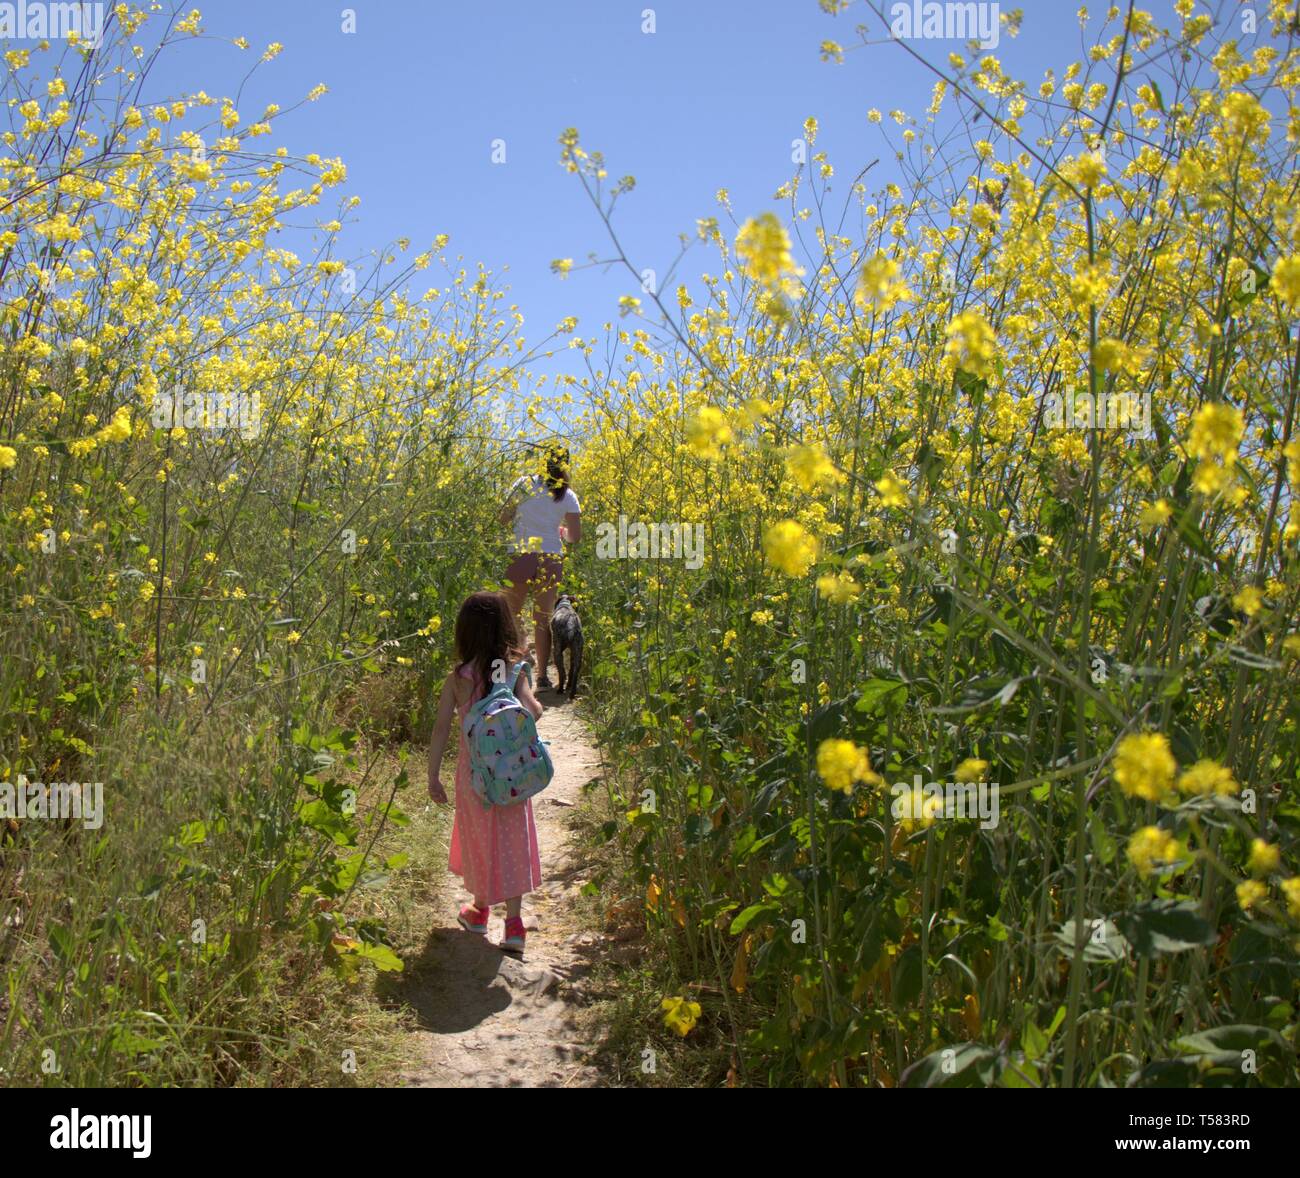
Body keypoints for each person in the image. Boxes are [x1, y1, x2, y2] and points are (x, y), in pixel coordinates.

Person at [426, 591, 543, 953]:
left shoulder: (459, 677)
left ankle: (479, 911)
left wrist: (433, 775)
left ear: (464, 632)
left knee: (479, 840)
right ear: (505, 628)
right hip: (512, 777)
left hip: (474, 778)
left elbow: (442, 729)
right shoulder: (513, 670)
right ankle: (514, 925)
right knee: (512, 842)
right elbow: (534, 711)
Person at [498, 447, 581, 689]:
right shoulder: (567, 494)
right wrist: (560, 531)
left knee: (511, 614)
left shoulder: (523, 484)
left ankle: (518, 665)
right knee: (542, 619)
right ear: (565, 466)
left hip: (521, 554)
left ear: (542, 462)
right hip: (551, 558)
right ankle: (543, 677)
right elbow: (574, 537)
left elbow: (502, 518)